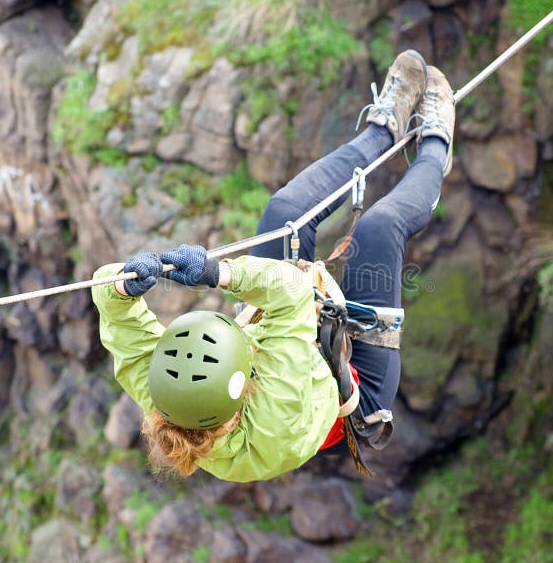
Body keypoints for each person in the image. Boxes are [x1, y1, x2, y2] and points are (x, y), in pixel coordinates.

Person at [91, 50, 456, 482]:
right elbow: (292, 294)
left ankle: (382, 131)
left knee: (285, 211)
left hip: (273, 339)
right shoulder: (273, 420)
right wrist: (218, 273)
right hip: (351, 388)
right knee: (379, 229)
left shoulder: (167, 391)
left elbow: (120, 324)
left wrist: (124, 286)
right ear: (237, 399)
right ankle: (436, 147)